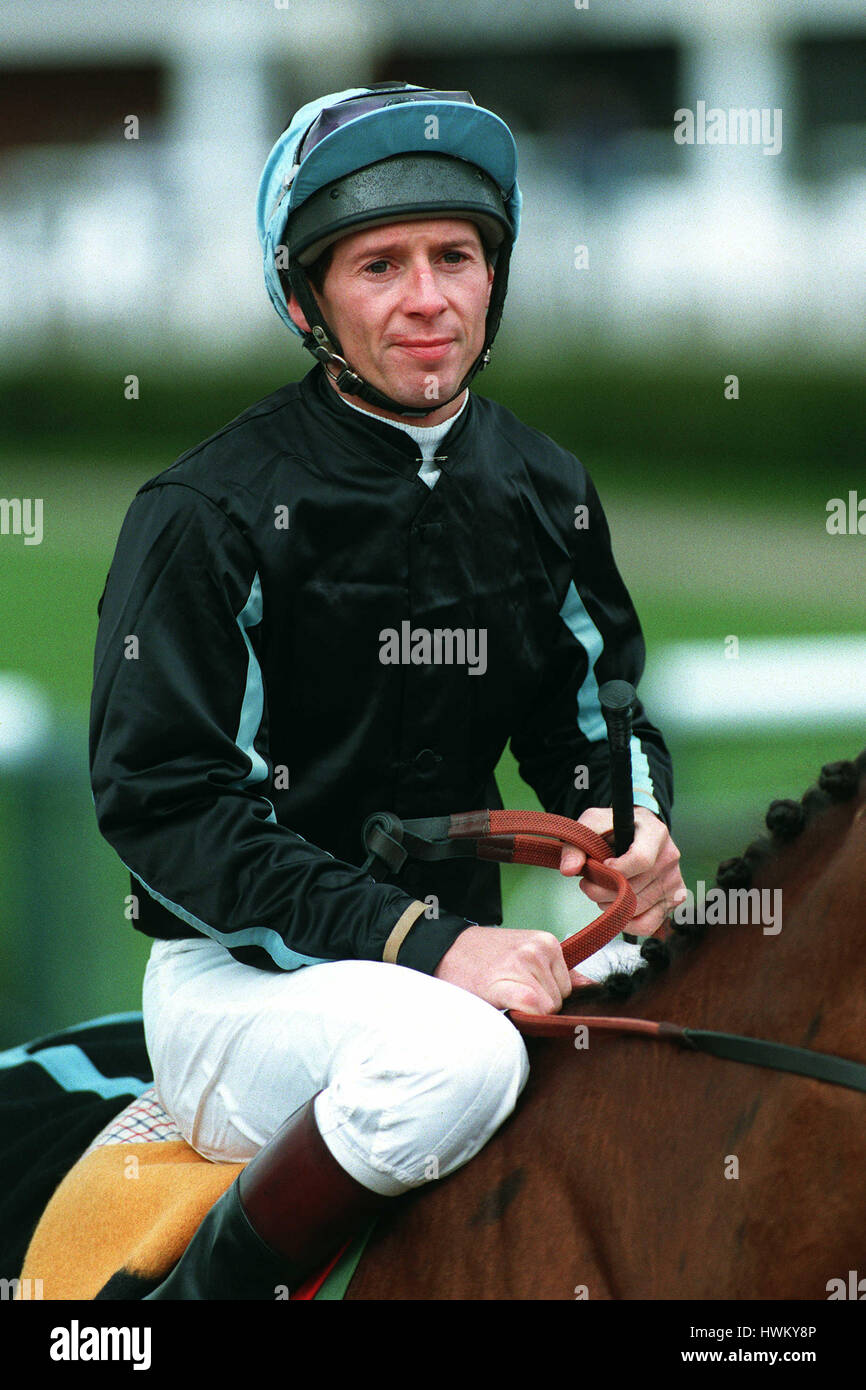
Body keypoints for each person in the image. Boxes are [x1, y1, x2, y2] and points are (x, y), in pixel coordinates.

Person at [89, 83, 685, 1299]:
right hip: (245, 990)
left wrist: (631, 824)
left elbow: (595, 717)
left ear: (493, 278)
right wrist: (425, 943)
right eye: (380, 265)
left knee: (712, 1013)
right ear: (307, 298)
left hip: (479, 956)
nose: (428, 299)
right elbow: (168, 810)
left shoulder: (539, 485)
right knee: (453, 1061)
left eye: (455, 257)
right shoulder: (201, 515)